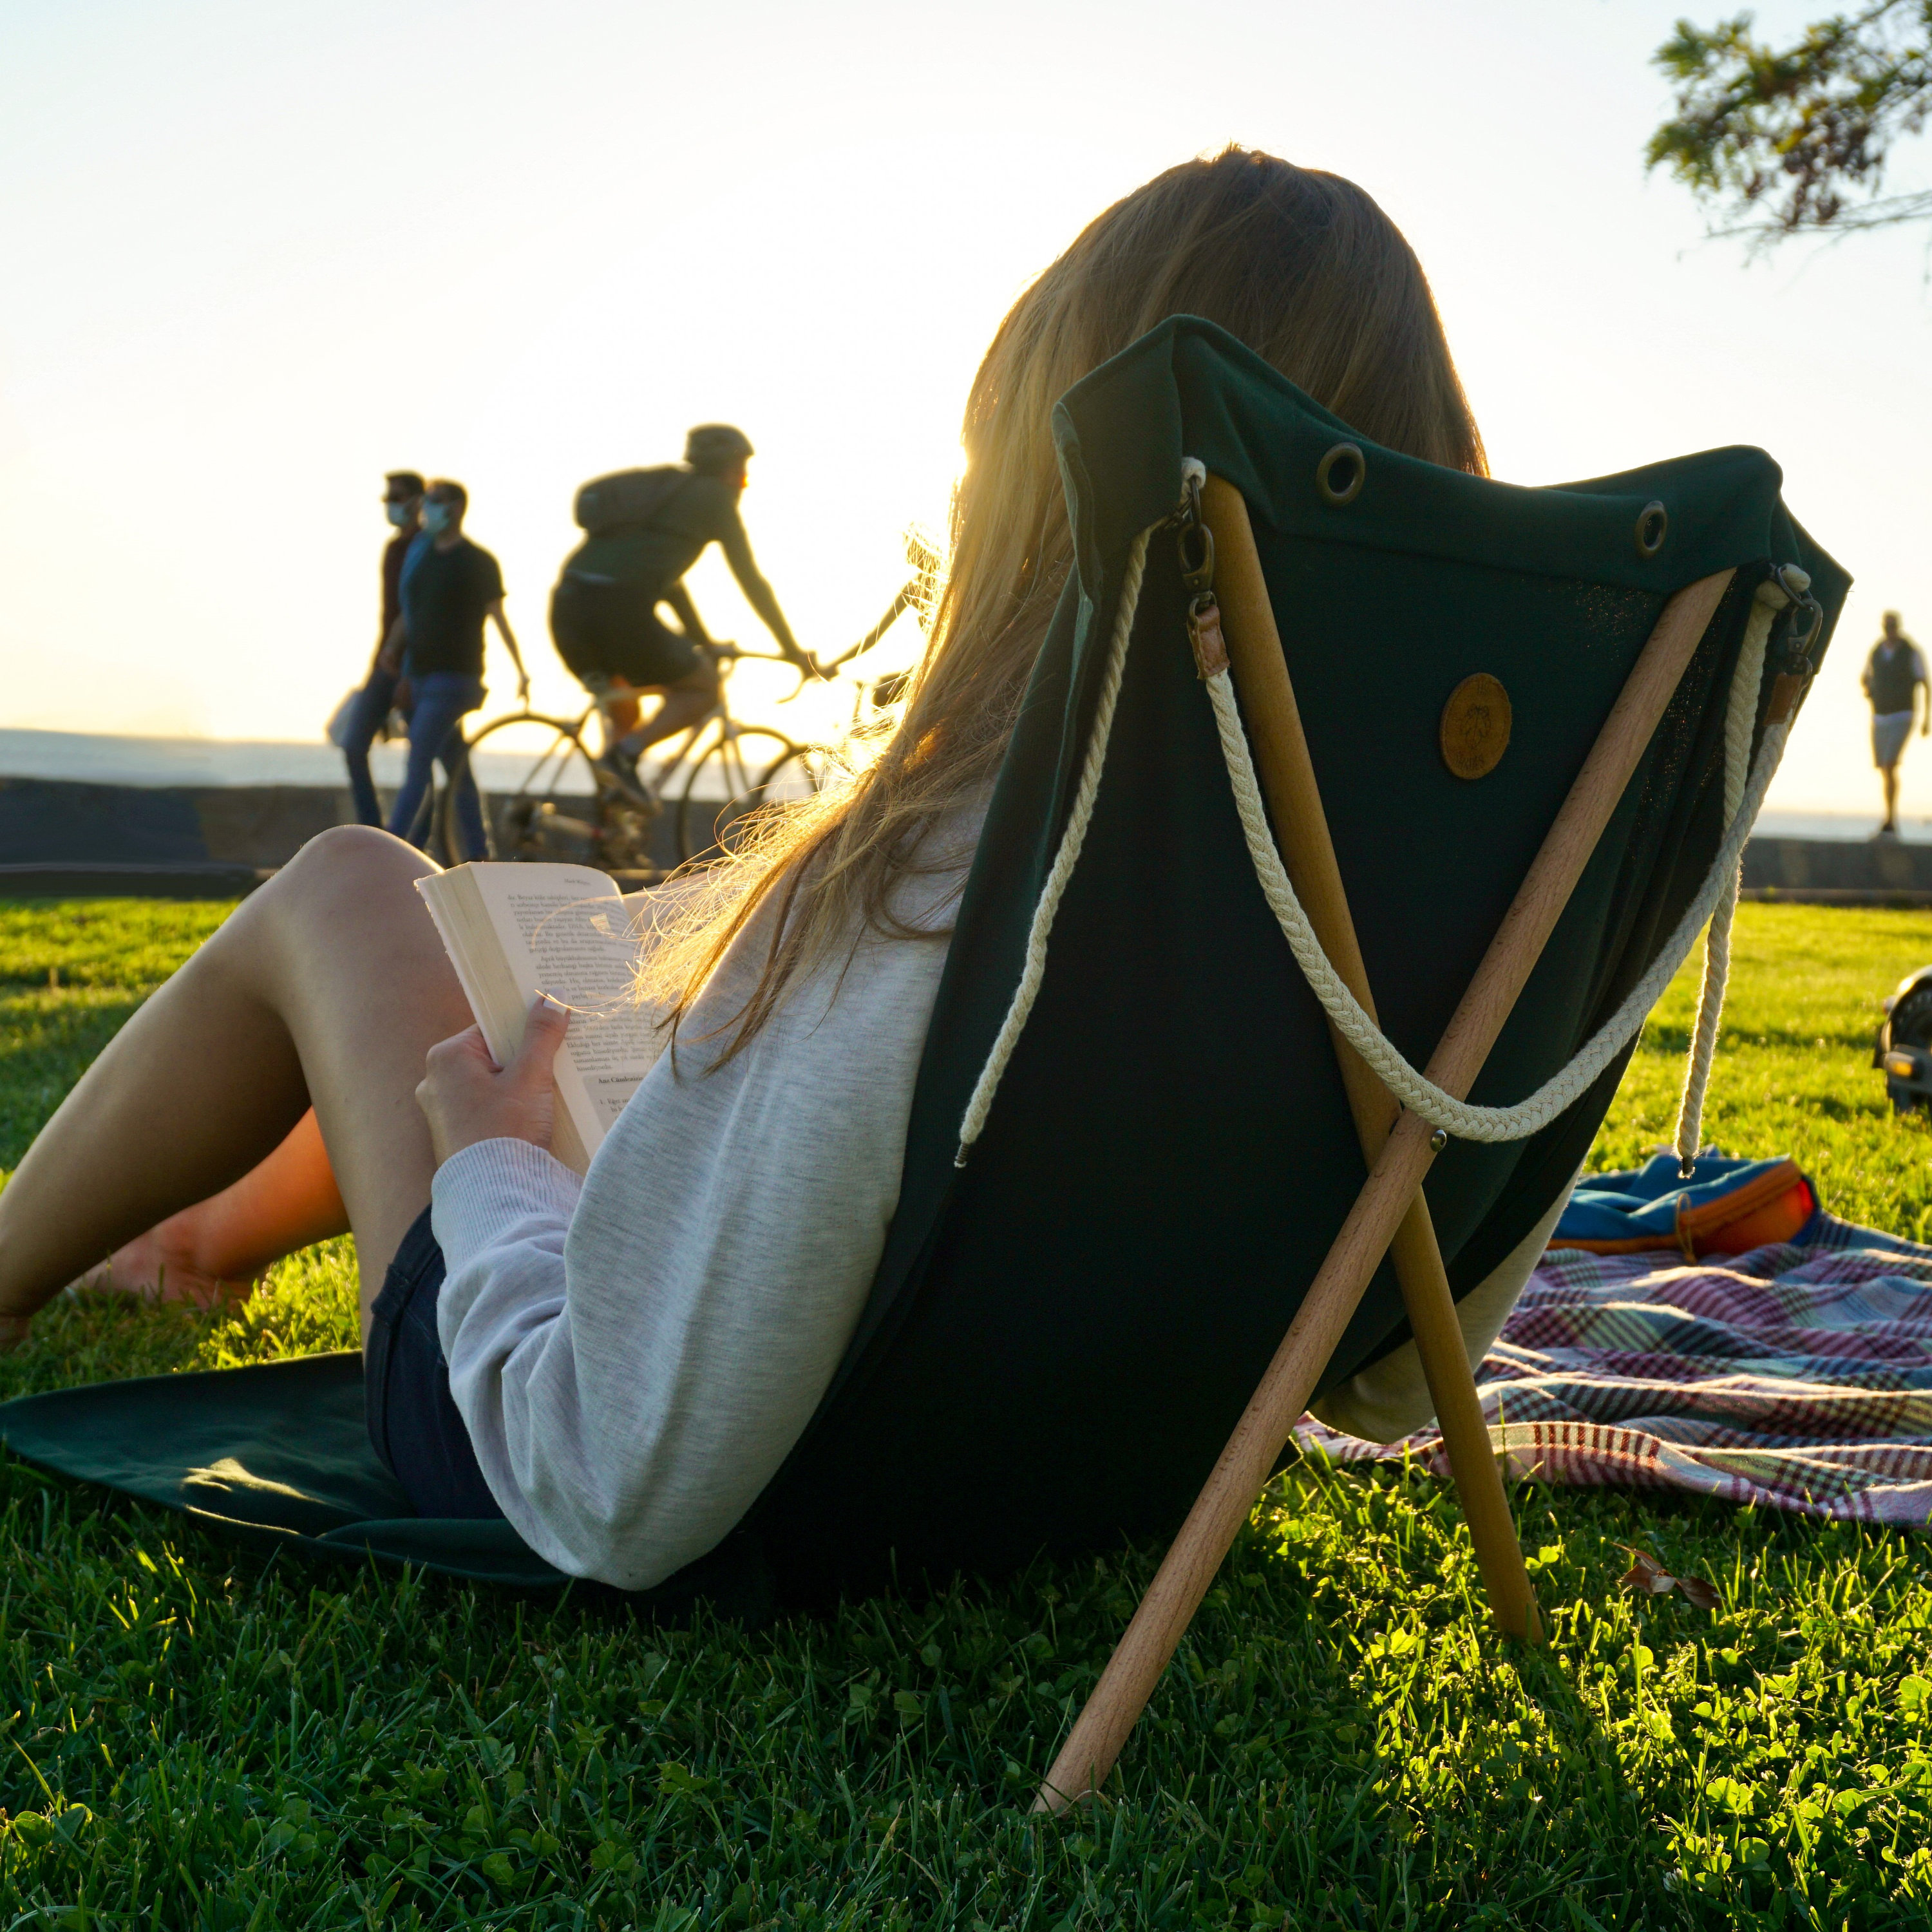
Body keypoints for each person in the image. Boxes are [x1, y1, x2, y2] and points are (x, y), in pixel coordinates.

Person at [0, 149, 1509, 1588]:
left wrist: (489, 1169)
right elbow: (1384, 1384)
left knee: (349, 887)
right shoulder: (1444, 864)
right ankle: (194, 1240)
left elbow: (611, 1477)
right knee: (519, 999)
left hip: (661, 1459)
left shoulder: (958, 867)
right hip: (1088, 1453)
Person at [549, 425, 811, 798]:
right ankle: (623, 758)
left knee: (626, 712)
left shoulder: (660, 496)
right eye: (742, 470)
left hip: (567, 611)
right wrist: (790, 648)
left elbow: (670, 585)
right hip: (618, 614)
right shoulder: (715, 500)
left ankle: (610, 824)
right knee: (703, 688)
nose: (745, 483)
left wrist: (702, 640)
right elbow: (751, 580)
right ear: (725, 469)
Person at [383, 480, 529, 858]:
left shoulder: (478, 561)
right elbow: (409, 613)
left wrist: (521, 671)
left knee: (418, 759)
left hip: (456, 680)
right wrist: (393, 652)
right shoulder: (422, 555)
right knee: (458, 772)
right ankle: (481, 855)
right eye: (427, 501)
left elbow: (499, 617)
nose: (427, 508)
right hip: (421, 678)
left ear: (457, 508)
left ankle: (389, 851)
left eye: (436, 502)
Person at [337, 471, 425, 827]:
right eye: (388, 499)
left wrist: (408, 668)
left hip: (417, 667)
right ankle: (374, 832)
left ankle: (416, 840)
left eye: (398, 498)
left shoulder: (426, 547)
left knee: (423, 760)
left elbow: (417, 613)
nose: (391, 506)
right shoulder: (393, 548)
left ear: (418, 501)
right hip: (385, 662)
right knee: (353, 744)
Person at [1862, 610, 1927, 837]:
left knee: (1890, 764)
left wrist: (1927, 719)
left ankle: (1891, 820)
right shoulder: (1877, 650)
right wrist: (1869, 690)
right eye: (1886, 625)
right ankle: (1888, 818)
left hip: (1903, 714)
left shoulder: (1910, 651)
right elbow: (1865, 676)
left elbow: (1925, 683)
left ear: (1898, 626)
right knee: (1884, 768)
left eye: (1892, 626)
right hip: (1879, 715)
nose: (1889, 630)